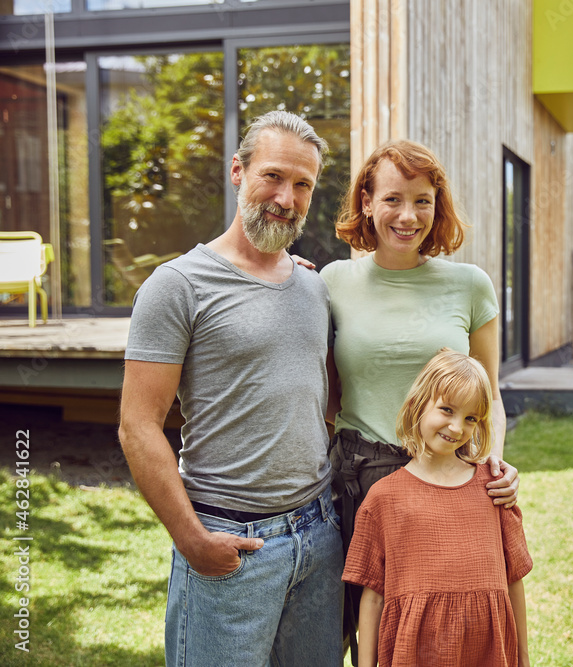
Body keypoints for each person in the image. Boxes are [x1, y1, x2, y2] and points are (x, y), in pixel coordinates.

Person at [118, 110, 344, 666]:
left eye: (302, 184)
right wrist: (192, 540)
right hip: (230, 543)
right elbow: (137, 426)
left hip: (319, 535)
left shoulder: (313, 285)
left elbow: (326, 399)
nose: (286, 198)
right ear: (237, 171)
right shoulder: (177, 285)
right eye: (273, 176)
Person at [317, 139, 520, 655]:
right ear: (367, 202)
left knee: (440, 635)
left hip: (448, 474)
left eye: (422, 201)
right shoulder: (332, 282)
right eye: (392, 199)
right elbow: (328, 394)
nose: (408, 216)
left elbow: (489, 395)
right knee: (353, 630)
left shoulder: (470, 285)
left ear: (437, 205)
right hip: (359, 477)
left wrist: (494, 463)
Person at [343, 349, 532, 666]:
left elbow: (514, 582)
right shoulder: (383, 498)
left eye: (470, 418)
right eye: (447, 410)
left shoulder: (494, 488)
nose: (457, 428)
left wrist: (523, 659)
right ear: (418, 405)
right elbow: (373, 597)